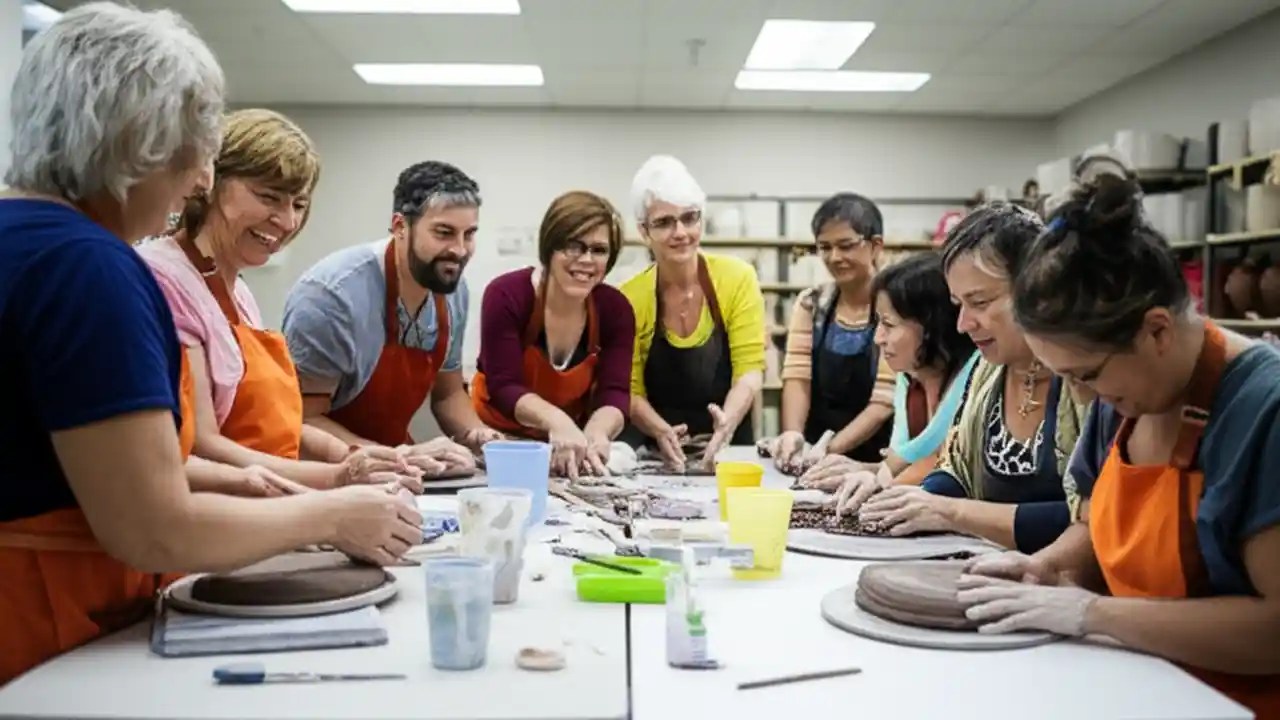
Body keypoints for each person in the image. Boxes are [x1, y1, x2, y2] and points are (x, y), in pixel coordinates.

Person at [0, 2, 420, 685]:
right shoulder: (86, 266)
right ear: (138, 136)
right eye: (193, 151)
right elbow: (152, 527)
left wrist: (312, 485)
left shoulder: (22, 240)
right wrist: (330, 514)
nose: (197, 180)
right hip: (39, 637)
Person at [958, 176, 1280, 718]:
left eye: (1085, 374)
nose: (1082, 395)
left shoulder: (1262, 412)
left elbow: (1275, 629)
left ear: (1156, 331)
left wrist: (1093, 614)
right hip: (1141, 683)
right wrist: (1044, 568)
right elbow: (1090, 525)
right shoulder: (1125, 394)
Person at [140, 109, 445, 493]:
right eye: (269, 197)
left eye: (298, 205)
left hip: (263, 502)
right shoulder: (166, 279)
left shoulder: (239, 291)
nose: (286, 222)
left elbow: (278, 428)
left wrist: (351, 455)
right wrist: (336, 480)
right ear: (211, 182)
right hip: (217, 513)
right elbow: (204, 444)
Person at [849, 203, 1088, 554]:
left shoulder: (1087, 383)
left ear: (1038, 288)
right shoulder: (987, 371)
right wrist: (913, 498)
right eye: (958, 304)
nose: (963, 324)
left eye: (979, 302)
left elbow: (1094, 521)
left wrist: (953, 513)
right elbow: (958, 467)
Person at [284, 161, 502, 455]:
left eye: (469, 234)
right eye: (443, 233)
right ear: (400, 226)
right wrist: (399, 457)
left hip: (393, 464)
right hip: (323, 471)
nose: (460, 250)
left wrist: (478, 435)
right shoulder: (332, 297)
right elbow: (303, 420)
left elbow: (448, 393)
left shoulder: (452, 291)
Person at [471, 191, 635, 477]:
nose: (586, 260)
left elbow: (615, 392)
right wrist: (557, 421)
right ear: (549, 248)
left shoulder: (615, 309)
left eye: (599, 250)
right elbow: (504, 387)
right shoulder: (507, 295)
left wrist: (597, 432)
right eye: (573, 246)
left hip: (566, 446)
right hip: (495, 443)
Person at [619, 155, 766, 471]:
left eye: (690, 218)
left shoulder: (737, 279)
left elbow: (750, 370)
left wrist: (725, 425)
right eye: (664, 222)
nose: (680, 232)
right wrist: (660, 430)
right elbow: (628, 389)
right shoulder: (629, 298)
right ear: (644, 231)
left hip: (728, 447)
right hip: (656, 454)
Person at [798, 252, 979, 503]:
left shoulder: (978, 381)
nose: (878, 338)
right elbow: (903, 458)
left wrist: (878, 478)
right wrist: (864, 470)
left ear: (931, 326)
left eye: (889, 325)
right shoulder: (910, 383)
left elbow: (944, 463)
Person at [772, 193, 895, 472]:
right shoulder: (811, 304)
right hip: (817, 452)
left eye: (846, 246)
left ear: (875, 246)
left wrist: (829, 451)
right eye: (825, 247)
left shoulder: (897, 306)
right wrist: (794, 436)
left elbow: (884, 402)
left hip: (876, 461)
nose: (835, 257)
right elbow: (797, 377)